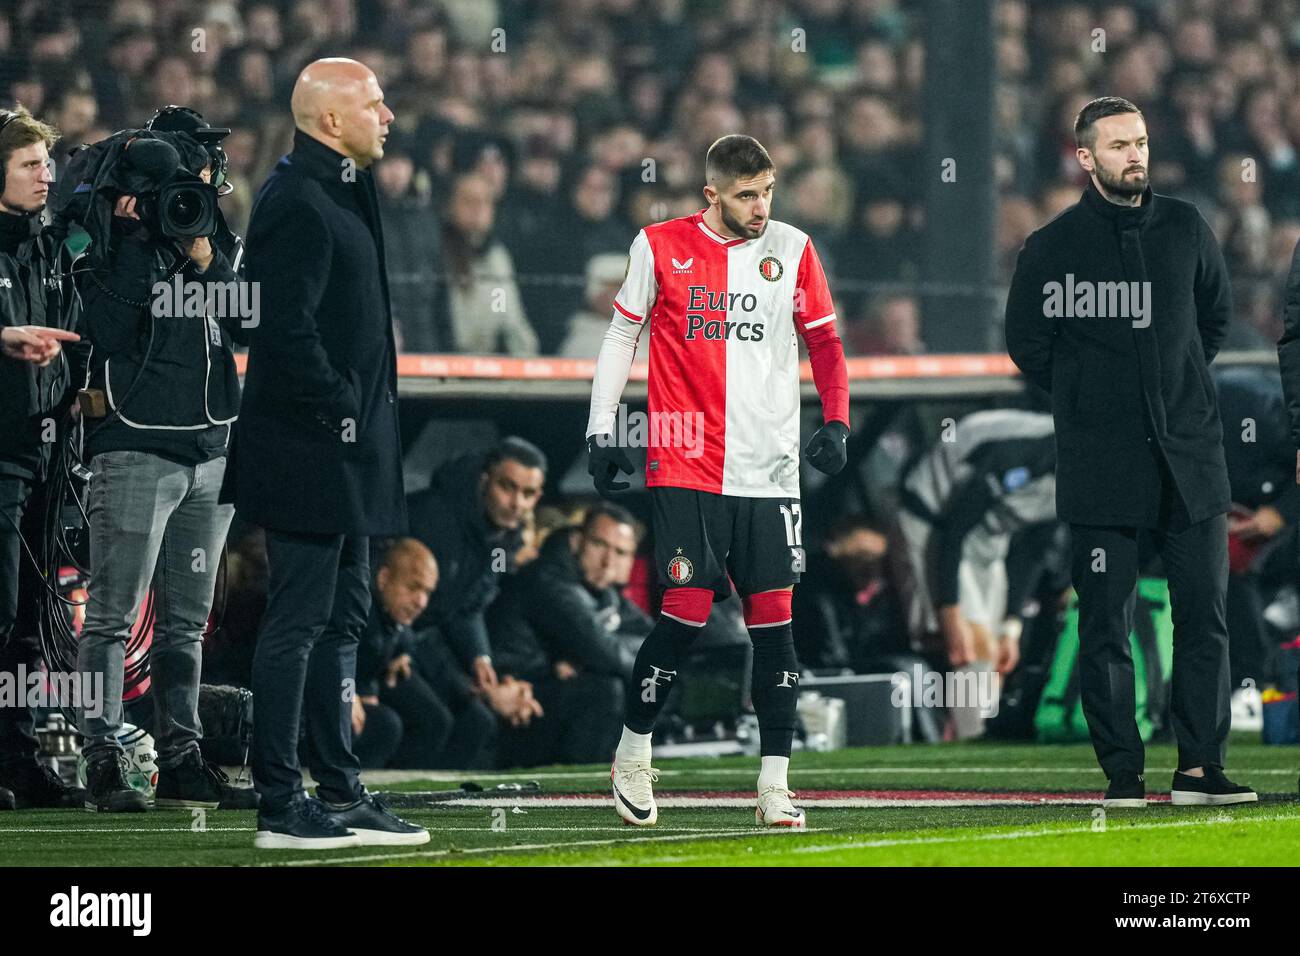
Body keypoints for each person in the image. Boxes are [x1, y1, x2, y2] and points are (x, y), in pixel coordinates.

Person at [586, 134, 850, 828]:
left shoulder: (793, 250)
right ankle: (635, 752)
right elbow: (621, 336)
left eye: (767, 191)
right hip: (685, 460)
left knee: (776, 624)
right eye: (745, 195)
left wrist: (838, 421)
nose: (760, 206)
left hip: (771, 468)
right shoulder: (658, 246)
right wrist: (599, 427)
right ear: (712, 195)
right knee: (687, 612)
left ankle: (773, 786)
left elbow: (824, 341)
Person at [1005, 96, 1256, 808]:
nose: (1134, 156)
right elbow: (1028, 345)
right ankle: (1122, 775)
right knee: (1104, 621)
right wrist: (1092, 399)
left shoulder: (1186, 227)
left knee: (1204, 616)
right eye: (1117, 146)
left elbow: (1213, 319)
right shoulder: (1051, 248)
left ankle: (1200, 769)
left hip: (1192, 459)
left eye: (1140, 141)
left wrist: (1177, 388)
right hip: (1101, 466)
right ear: (1085, 158)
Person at [227, 58, 425, 849]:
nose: (389, 116)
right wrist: (342, 403)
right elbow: (280, 327)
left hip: (350, 455)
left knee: (343, 618)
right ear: (331, 120)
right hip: (309, 451)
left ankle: (340, 791)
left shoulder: (339, 186)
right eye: (375, 103)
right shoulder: (297, 197)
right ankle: (280, 801)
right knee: (297, 621)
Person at [72, 105, 254, 813]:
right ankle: (103, 755)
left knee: (186, 621)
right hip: (136, 439)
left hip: (211, 445)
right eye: (197, 157)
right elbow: (105, 332)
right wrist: (133, 237)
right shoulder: (113, 227)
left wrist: (206, 254)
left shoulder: (210, 228)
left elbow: (246, 320)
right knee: (113, 614)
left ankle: (183, 754)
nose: (208, 170)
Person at [0, 104, 88, 810]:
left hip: (43, 457)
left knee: (33, 619)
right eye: (29, 164)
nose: (45, 175)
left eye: (46, 162)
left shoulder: (49, 247)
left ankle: (21, 753)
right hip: (1, 454)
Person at [489, 502, 653, 766]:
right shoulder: (550, 581)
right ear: (577, 541)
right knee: (604, 688)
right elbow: (606, 653)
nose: (608, 562)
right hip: (515, 704)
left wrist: (586, 654)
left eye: (620, 553)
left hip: (542, 695)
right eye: (600, 545)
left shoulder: (602, 591)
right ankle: (579, 790)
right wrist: (595, 652)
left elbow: (650, 639)